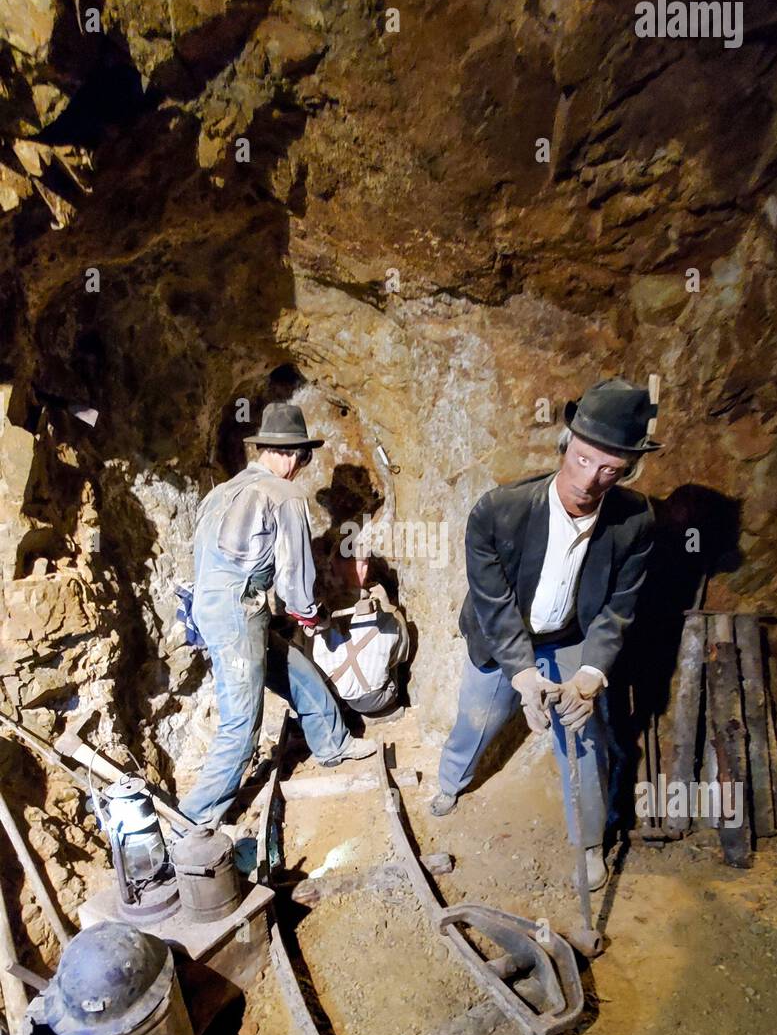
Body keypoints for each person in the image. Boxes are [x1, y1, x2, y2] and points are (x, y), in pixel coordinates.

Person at [430, 378, 660, 891]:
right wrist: (524, 676)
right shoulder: (499, 511)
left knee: (584, 734)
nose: (590, 479)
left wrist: (590, 675)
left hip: (571, 634)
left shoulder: (636, 521)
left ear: (626, 471)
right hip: (503, 635)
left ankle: (588, 842)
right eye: (581, 459)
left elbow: (620, 608)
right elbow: (494, 602)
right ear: (565, 446)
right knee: (478, 716)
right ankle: (452, 782)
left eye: (610, 470)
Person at [179, 402, 375, 826]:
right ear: (291, 455)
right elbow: (294, 579)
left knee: (295, 671)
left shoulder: (222, 491)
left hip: (213, 605)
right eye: (303, 459)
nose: (302, 468)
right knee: (241, 724)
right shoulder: (283, 495)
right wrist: (312, 615)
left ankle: (332, 743)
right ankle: (194, 821)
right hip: (237, 611)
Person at [310, 584, 410, 722]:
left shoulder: (318, 646)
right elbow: (402, 655)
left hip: (352, 703)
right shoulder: (386, 624)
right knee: (391, 658)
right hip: (382, 698)